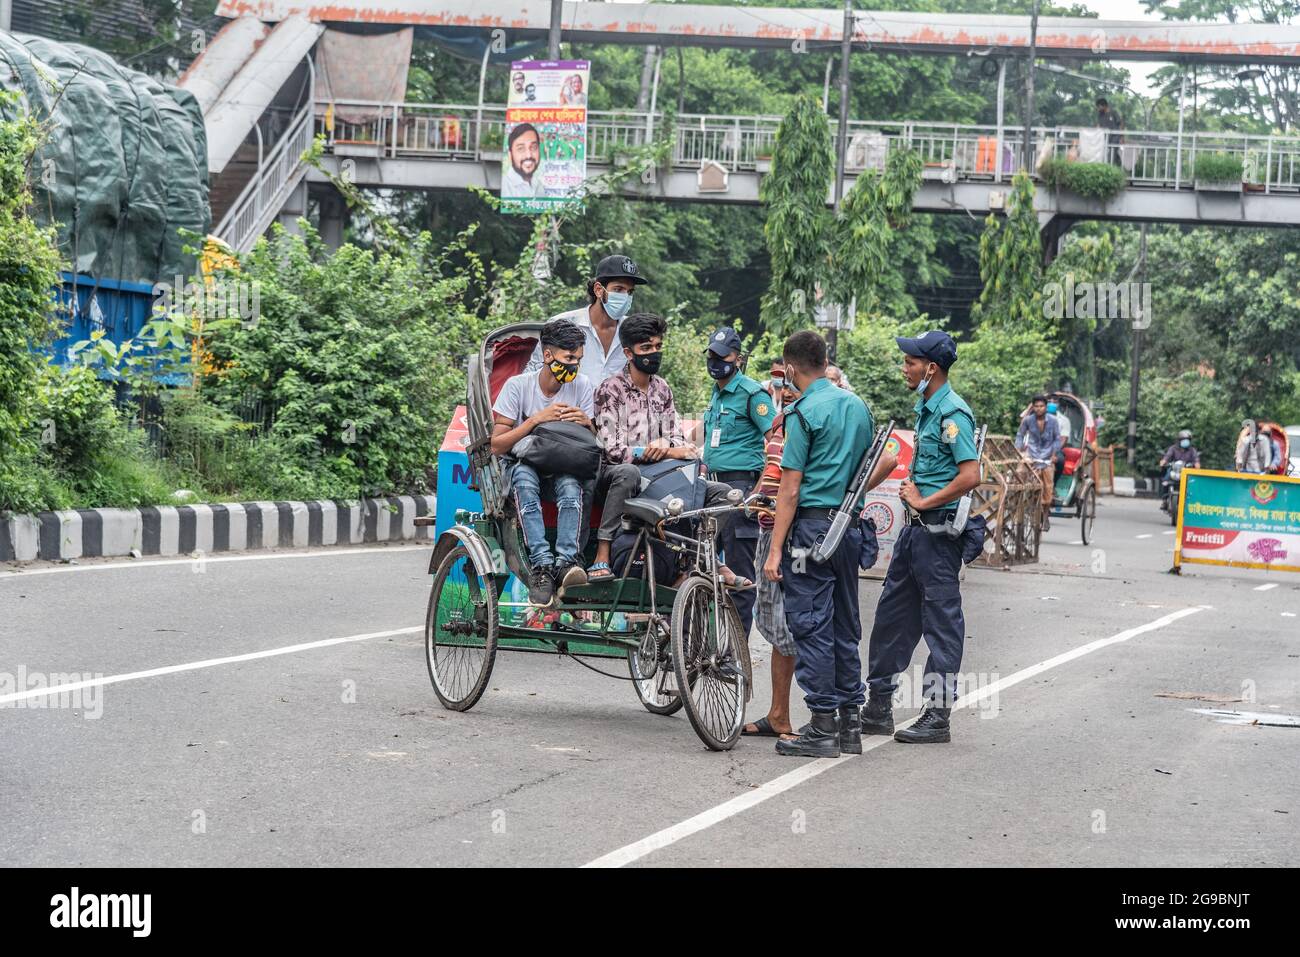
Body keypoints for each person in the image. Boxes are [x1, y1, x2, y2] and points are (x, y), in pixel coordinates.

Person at [761, 331, 880, 758]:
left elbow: (788, 490)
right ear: (825, 359)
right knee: (845, 625)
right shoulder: (857, 407)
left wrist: (775, 550)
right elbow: (880, 462)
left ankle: (822, 727)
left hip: (810, 531)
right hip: (849, 528)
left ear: (790, 369)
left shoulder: (803, 412)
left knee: (810, 625)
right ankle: (850, 724)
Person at [863, 330, 981, 745]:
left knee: (941, 627)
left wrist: (924, 498)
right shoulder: (927, 407)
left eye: (910, 361)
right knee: (891, 620)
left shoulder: (952, 413)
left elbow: (971, 475)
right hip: (914, 536)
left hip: (938, 536)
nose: (904, 367)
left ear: (931, 367)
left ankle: (937, 716)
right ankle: (878, 707)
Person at [591, 313, 741, 583]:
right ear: (628, 353)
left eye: (658, 347)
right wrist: (652, 450)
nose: (654, 353)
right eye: (646, 348)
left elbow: (679, 440)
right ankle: (602, 554)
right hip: (619, 477)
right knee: (628, 472)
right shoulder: (610, 389)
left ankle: (698, 559)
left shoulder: (662, 388)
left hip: (662, 477)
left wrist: (667, 445)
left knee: (724, 494)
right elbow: (611, 449)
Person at [491, 318, 595, 606]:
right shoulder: (518, 386)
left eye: (579, 359)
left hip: (563, 461)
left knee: (572, 487)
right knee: (524, 480)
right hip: (523, 460)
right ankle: (542, 567)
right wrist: (537, 419)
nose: (574, 365)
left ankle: (566, 562)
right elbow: (497, 443)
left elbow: (591, 443)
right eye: (569, 358)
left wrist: (587, 424)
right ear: (547, 356)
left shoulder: (582, 386)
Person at [702, 327, 777, 637]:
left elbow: (776, 442)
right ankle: (700, 645)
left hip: (739, 491)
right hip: (710, 491)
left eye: (723, 356)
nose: (715, 360)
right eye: (711, 355)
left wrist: (759, 491)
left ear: (738, 358)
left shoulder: (752, 393)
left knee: (740, 577)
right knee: (701, 566)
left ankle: (736, 651)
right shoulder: (717, 392)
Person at [526, 255, 646, 384]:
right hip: (567, 403)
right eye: (618, 289)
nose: (625, 296)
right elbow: (533, 374)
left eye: (630, 292)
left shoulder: (632, 332)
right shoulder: (562, 324)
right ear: (598, 290)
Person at [1016, 395, 1062, 518]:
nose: (1039, 409)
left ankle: (1046, 514)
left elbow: (1057, 439)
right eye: (1036, 406)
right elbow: (1020, 435)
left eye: (1041, 406)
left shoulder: (1053, 421)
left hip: (1047, 456)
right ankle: (1017, 499)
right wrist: (1019, 450)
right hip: (1032, 455)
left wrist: (1054, 454)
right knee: (1019, 471)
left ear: (1046, 407)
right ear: (1033, 407)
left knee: (1048, 487)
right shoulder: (1028, 420)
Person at [503, 123, 543, 198]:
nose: (529, 155)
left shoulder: (539, 185)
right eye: (521, 149)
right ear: (510, 155)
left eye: (533, 147)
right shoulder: (505, 186)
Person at [1097, 97, 1123, 165]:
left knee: (1112, 155)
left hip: (1115, 137)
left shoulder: (1113, 112)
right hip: (1104, 138)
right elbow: (1098, 125)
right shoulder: (1100, 114)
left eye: (1099, 106)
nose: (1098, 108)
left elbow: (1120, 124)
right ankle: (1118, 164)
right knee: (1106, 155)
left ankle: (1112, 167)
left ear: (1104, 105)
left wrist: (1121, 137)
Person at [1048, 399, 1070, 481]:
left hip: (1056, 448)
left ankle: (1053, 484)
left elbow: (1063, 439)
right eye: (1050, 401)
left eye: (1054, 401)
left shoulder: (1064, 420)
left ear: (1058, 404)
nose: (1052, 403)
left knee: (1060, 461)